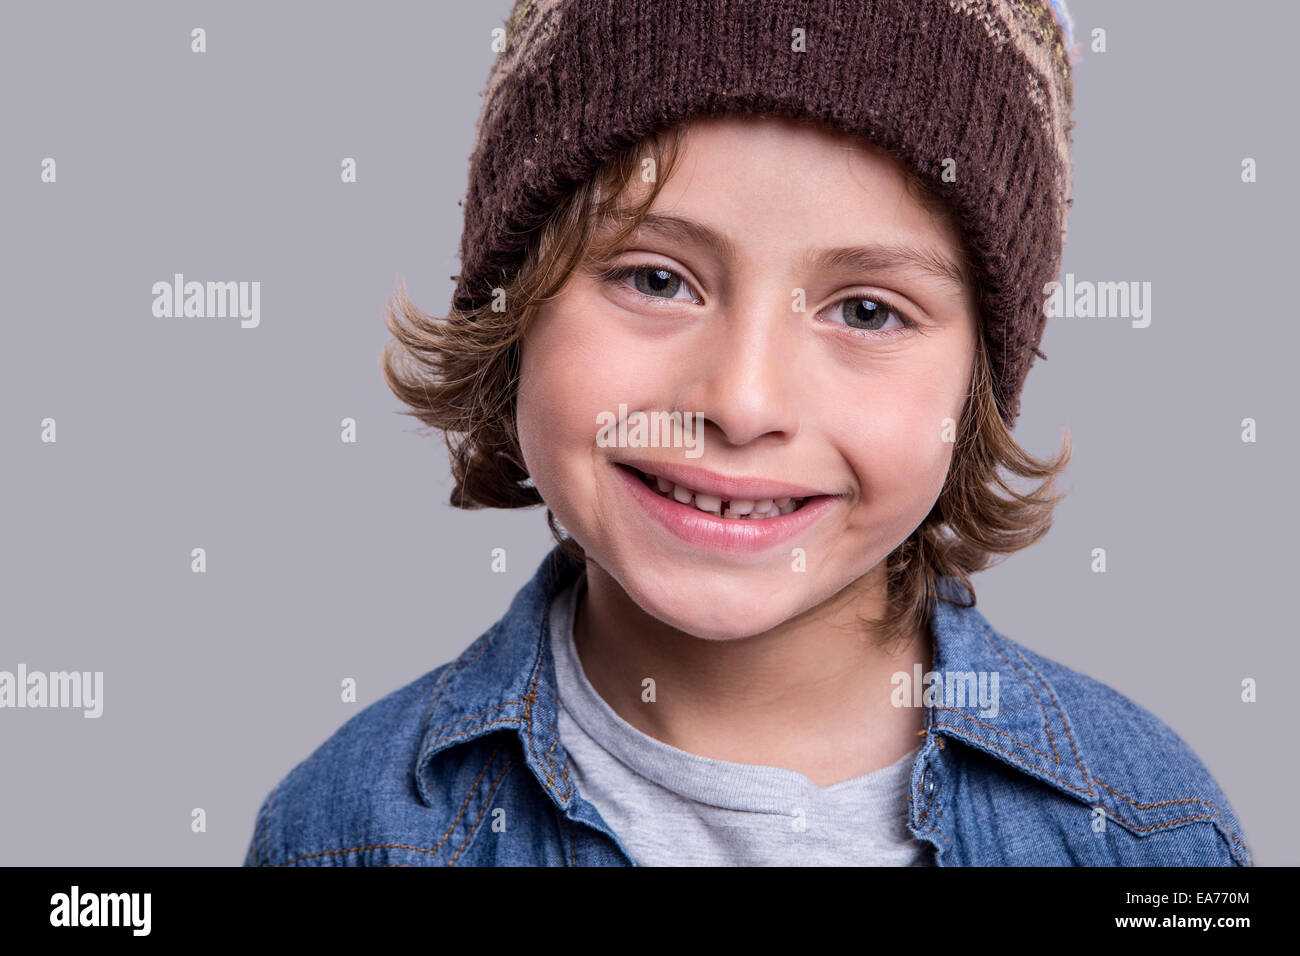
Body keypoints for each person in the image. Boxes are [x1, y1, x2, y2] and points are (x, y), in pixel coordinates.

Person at [243, 0, 1252, 866]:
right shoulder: (347, 828)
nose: (741, 398)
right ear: (513, 307)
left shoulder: (1142, 827)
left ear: (980, 380)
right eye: (653, 278)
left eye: (865, 310)